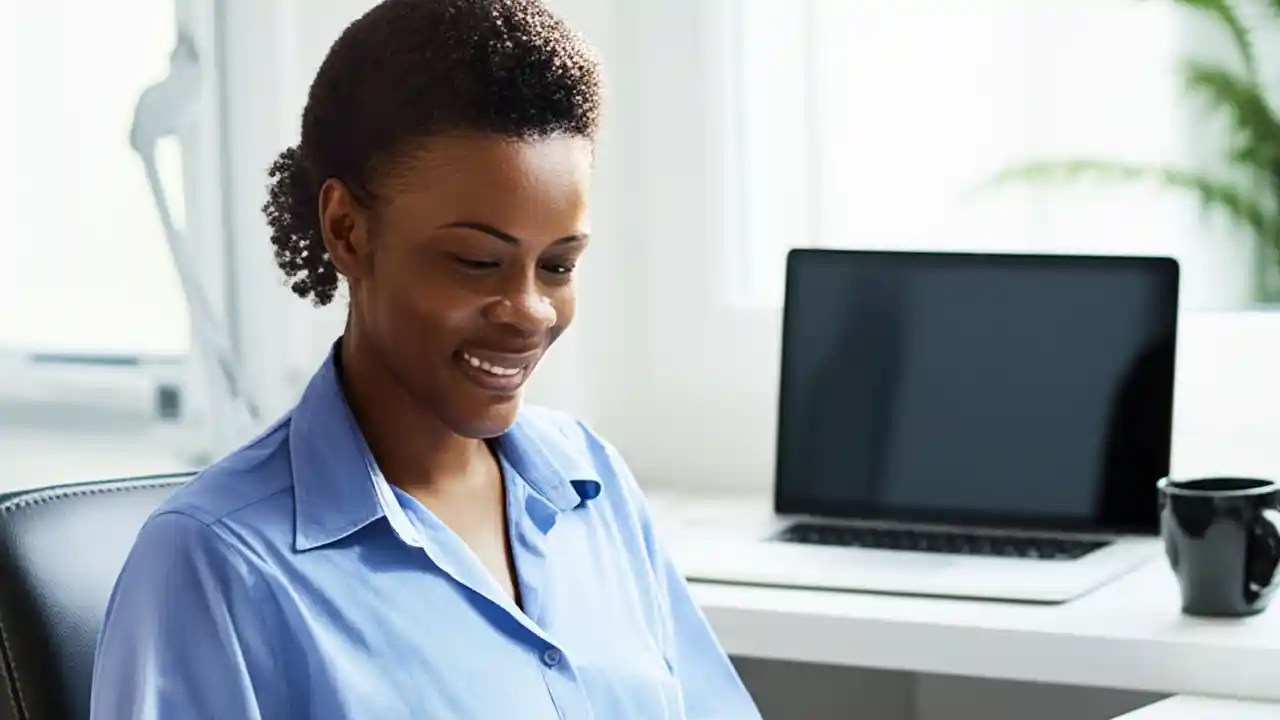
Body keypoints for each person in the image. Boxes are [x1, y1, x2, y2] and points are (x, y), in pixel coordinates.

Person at [89, 1, 762, 718]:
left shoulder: (591, 483)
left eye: (559, 266)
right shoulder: (214, 565)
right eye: (477, 262)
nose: (530, 310)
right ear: (346, 230)